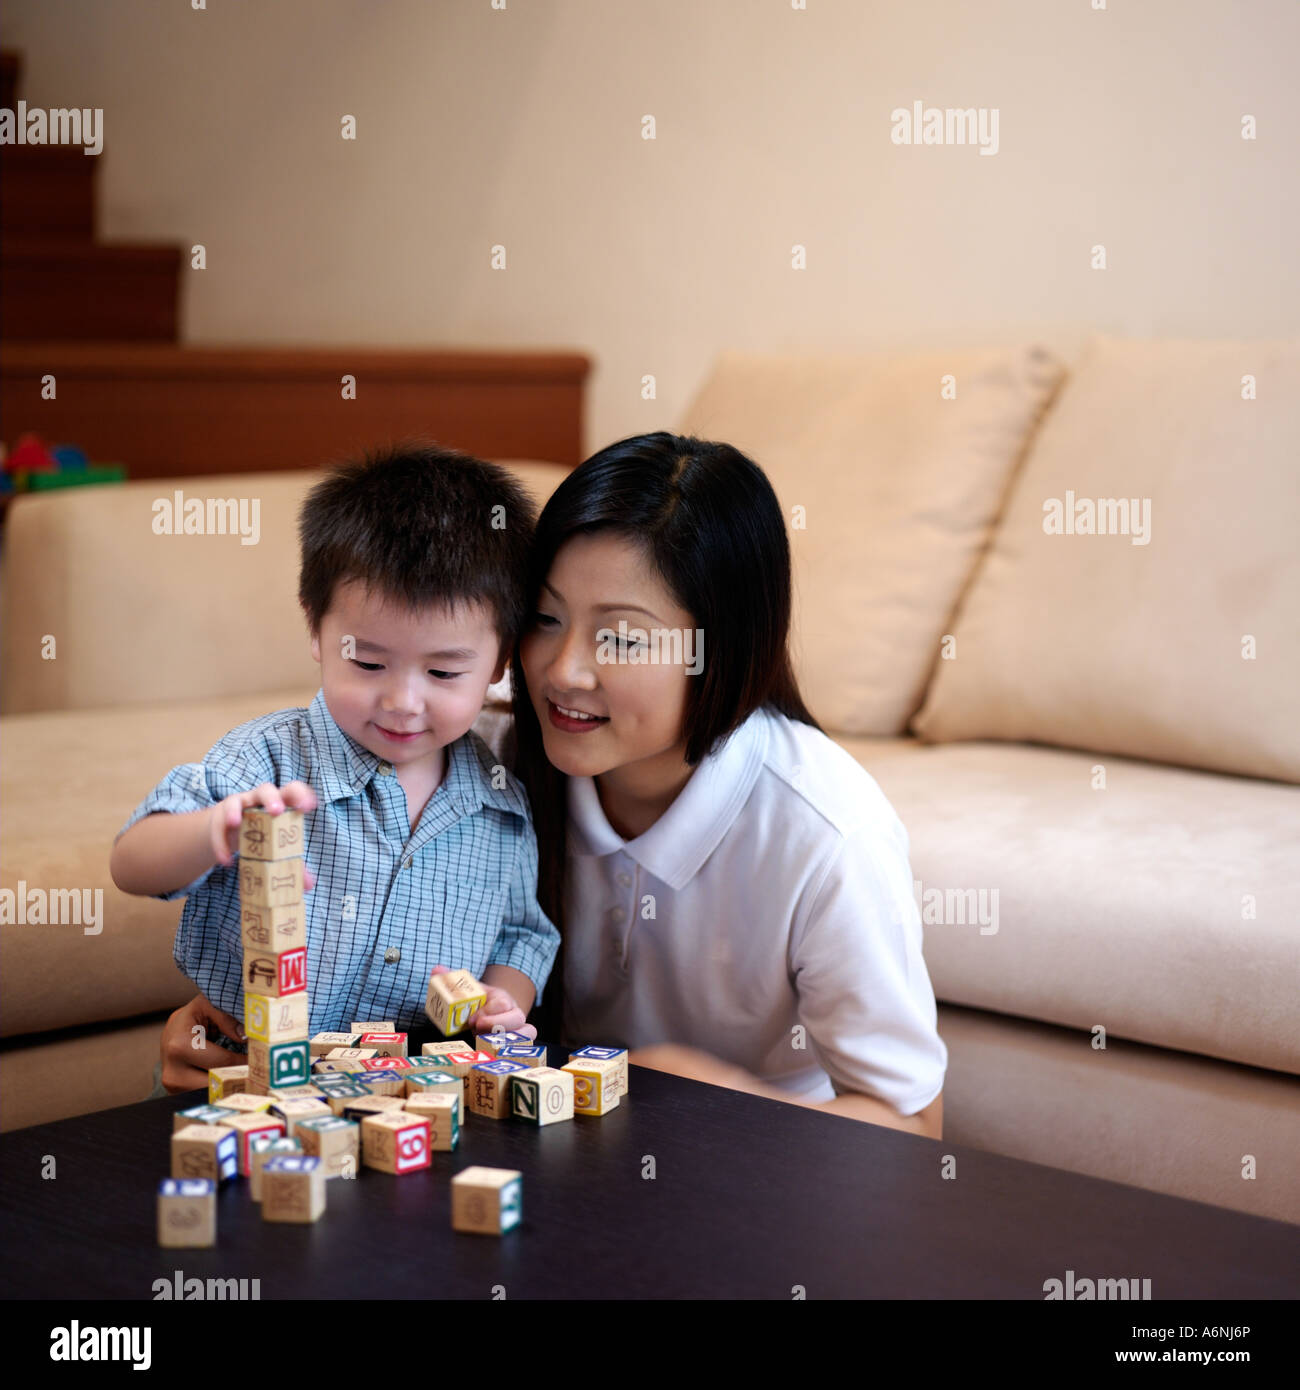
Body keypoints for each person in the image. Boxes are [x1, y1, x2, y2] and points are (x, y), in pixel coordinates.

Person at [511, 432, 947, 1137]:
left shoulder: (829, 834)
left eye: (620, 637)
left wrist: (715, 1100)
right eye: (544, 617)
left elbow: (913, 1127)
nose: (562, 670)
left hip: (759, 1174)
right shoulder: (496, 768)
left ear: (721, 651)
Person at [112, 443, 559, 1092]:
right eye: (369, 663)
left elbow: (521, 936)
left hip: (404, 1097)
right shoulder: (266, 760)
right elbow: (132, 862)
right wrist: (215, 832)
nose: (403, 701)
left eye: (443, 672)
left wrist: (502, 1003)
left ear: (498, 665)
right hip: (241, 1079)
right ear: (317, 632)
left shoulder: (502, 807)